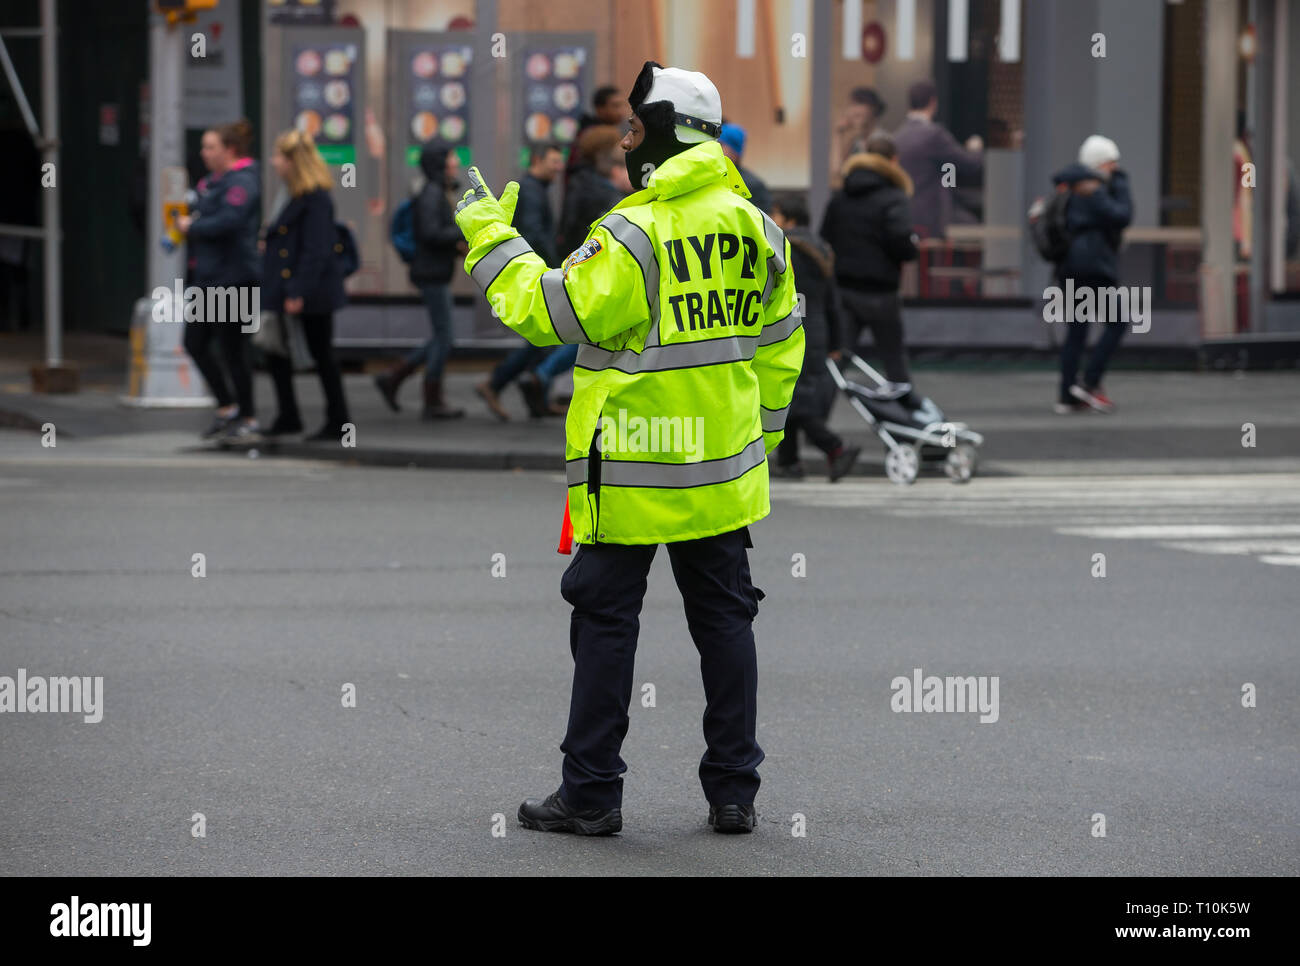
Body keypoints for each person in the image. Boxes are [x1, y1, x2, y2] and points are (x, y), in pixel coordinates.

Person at [454, 60, 804, 836]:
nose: (623, 144)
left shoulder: (634, 232)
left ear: (664, 137)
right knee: (726, 622)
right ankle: (734, 792)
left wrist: (486, 235)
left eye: (634, 129)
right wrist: (762, 438)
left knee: (606, 624)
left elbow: (549, 311)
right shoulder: (759, 229)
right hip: (720, 474)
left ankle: (591, 795)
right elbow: (783, 348)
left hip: (636, 471)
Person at [261, 130, 352, 441]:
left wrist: (298, 290)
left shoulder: (314, 199)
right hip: (289, 286)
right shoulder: (294, 194)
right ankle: (290, 414)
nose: (274, 163)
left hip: (310, 290)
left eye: (278, 157)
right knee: (278, 352)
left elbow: (316, 249)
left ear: (293, 161)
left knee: (321, 354)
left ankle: (338, 420)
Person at [769, 192, 860, 482]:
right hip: (817, 329)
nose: (772, 218)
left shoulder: (786, 248)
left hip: (793, 328)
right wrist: (836, 342)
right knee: (794, 394)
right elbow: (833, 300)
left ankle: (835, 448)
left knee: (794, 399)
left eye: (777, 213)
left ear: (790, 218)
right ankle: (789, 461)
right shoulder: (822, 247)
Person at [180, 119, 261, 442]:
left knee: (233, 350)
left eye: (210, 147)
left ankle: (248, 415)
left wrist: (193, 227)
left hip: (233, 278)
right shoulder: (210, 183)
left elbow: (230, 220)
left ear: (229, 150)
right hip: (208, 277)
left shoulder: (242, 182)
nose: (204, 153)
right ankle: (228, 407)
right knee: (195, 342)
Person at [373, 144, 467, 419]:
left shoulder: (437, 190)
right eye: (450, 157)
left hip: (434, 270)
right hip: (431, 272)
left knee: (442, 335)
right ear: (440, 162)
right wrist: (461, 230)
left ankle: (395, 377)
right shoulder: (432, 192)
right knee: (445, 336)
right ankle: (430, 397)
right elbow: (430, 232)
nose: (455, 161)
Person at [473, 143, 566, 420]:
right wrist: (554, 268)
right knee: (541, 339)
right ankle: (496, 383)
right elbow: (534, 233)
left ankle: (529, 396)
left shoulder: (535, 189)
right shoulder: (531, 191)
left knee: (542, 338)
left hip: (530, 270)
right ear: (536, 160)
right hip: (534, 272)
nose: (558, 167)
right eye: (553, 161)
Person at [819, 131, 919, 387]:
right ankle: (904, 419)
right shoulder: (895, 197)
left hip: (844, 290)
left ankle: (813, 419)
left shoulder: (841, 196)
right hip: (882, 292)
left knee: (836, 359)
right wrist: (911, 249)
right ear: (893, 160)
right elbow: (901, 241)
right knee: (894, 362)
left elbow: (825, 237)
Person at [1052, 135, 1133, 414]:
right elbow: (1123, 215)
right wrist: (1121, 183)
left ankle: (1067, 394)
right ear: (1100, 164)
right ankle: (1089, 382)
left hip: (1071, 266)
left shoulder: (1072, 185)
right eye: (1112, 164)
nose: (1115, 169)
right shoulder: (1094, 190)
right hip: (1094, 266)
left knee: (1077, 331)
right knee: (1118, 322)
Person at [893, 79, 982, 239]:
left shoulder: (897, 136)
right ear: (933, 102)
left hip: (905, 215)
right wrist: (976, 148)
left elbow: (948, 171)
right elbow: (970, 164)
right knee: (973, 229)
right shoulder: (934, 135)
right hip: (932, 219)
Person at [718, 122, 771, 215]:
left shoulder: (753, 185)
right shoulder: (712, 176)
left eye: (721, 144)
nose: (716, 148)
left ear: (734, 151)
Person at [833, 86, 886, 177]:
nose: (854, 110)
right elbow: (837, 169)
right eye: (852, 105)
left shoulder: (882, 140)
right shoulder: (857, 142)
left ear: (873, 109)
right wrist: (838, 134)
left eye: (859, 104)